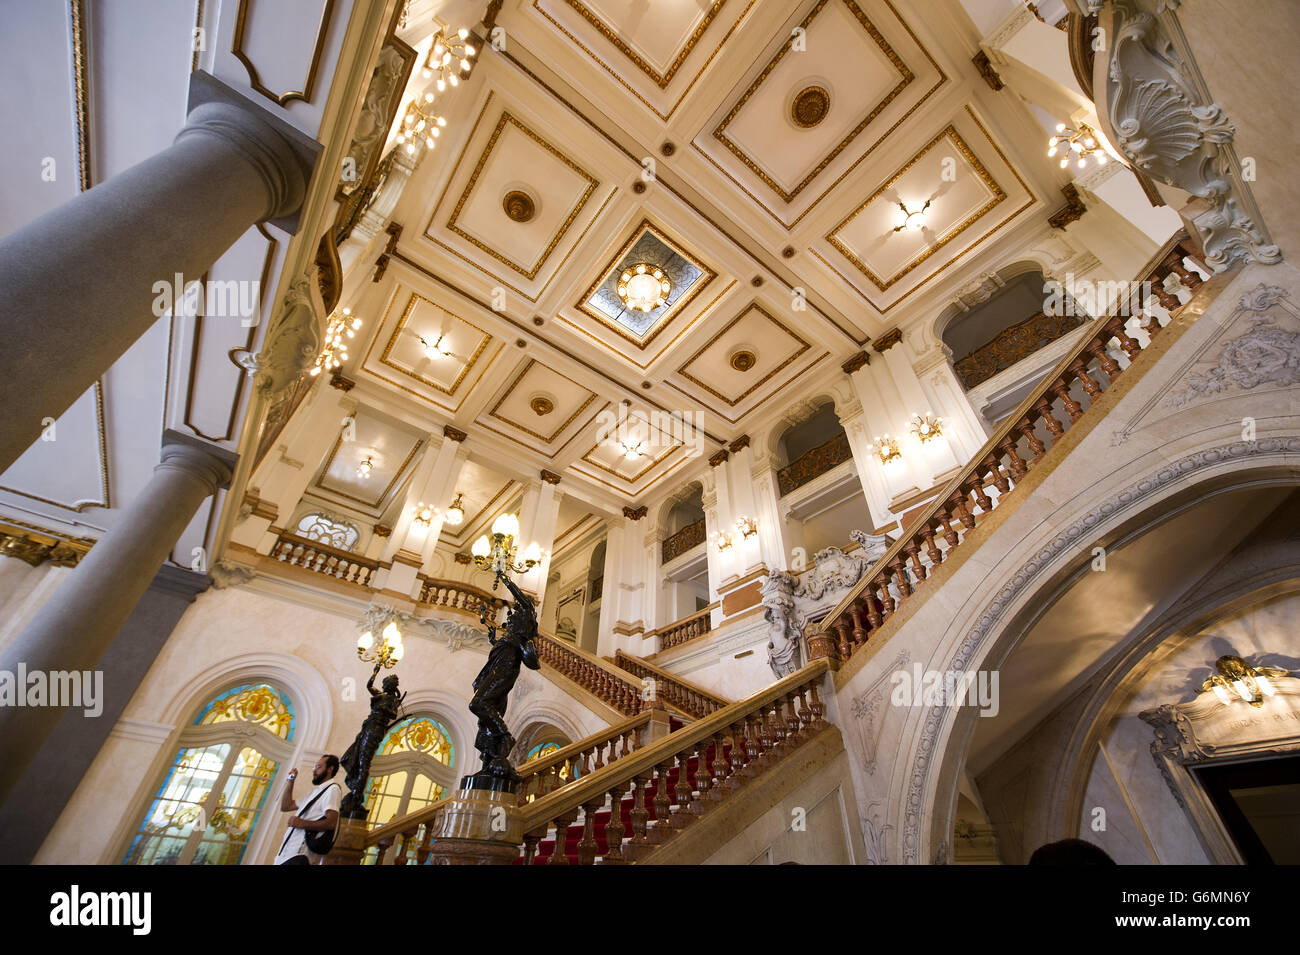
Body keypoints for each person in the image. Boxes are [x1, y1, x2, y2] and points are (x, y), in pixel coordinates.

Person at [274, 754, 340, 865]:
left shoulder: (332, 789)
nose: (314, 770)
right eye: (315, 767)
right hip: (286, 854)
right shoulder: (315, 793)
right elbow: (286, 806)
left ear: (330, 769)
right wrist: (291, 782)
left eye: (318, 767)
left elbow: (332, 823)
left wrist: (302, 823)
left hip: (299, 854)